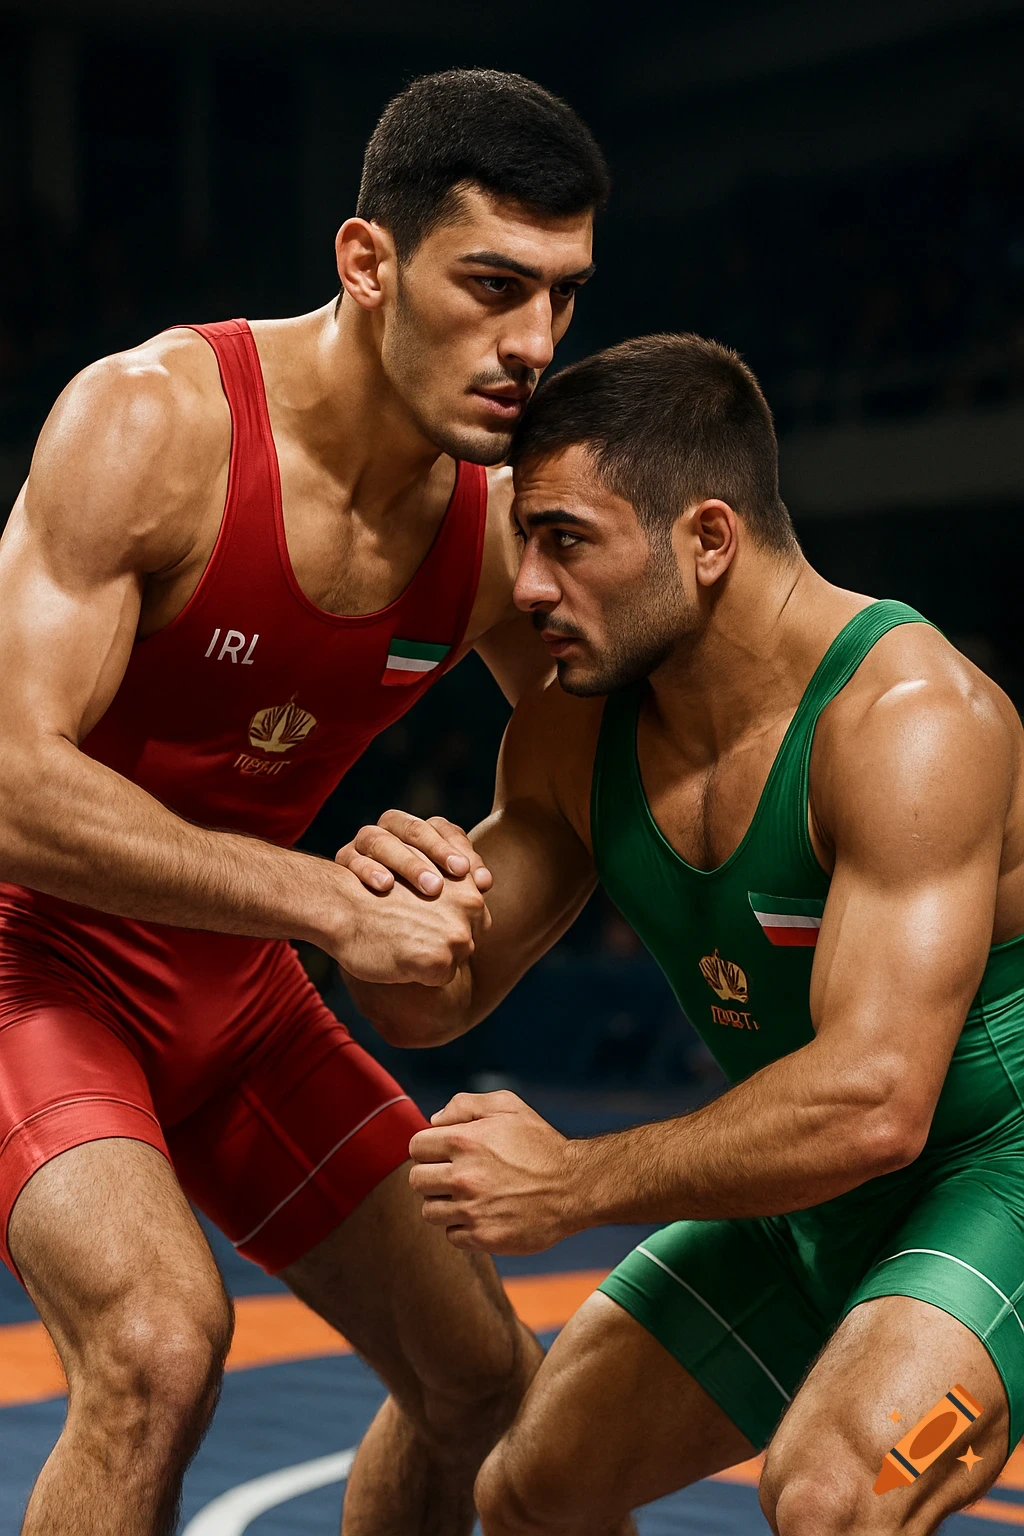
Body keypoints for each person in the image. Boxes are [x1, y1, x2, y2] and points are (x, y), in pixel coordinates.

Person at [0, 69, 609, 1536]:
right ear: (366, 262)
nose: (532, 345)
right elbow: (13, 781)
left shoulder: (489, 524)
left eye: (565, 297)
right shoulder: (152, 424)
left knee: (483, 1382)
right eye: (492, 286)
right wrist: (333, 899)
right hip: (35, 969)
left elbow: (606, 773)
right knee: (157, 1346)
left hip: (241, 999)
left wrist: (462, 903)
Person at [339, 333, 1024, 1535]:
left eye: (565, 541)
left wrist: (574, 1183)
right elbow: (427, 1002)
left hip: (992, 1168)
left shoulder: (911, 722)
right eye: (522, 545)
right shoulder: (569, 731)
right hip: (811, 1183)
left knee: (833, 1497)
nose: (529, 589)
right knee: (534, 1494)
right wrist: (384, 909)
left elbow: (875, 1101)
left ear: (707, 540)